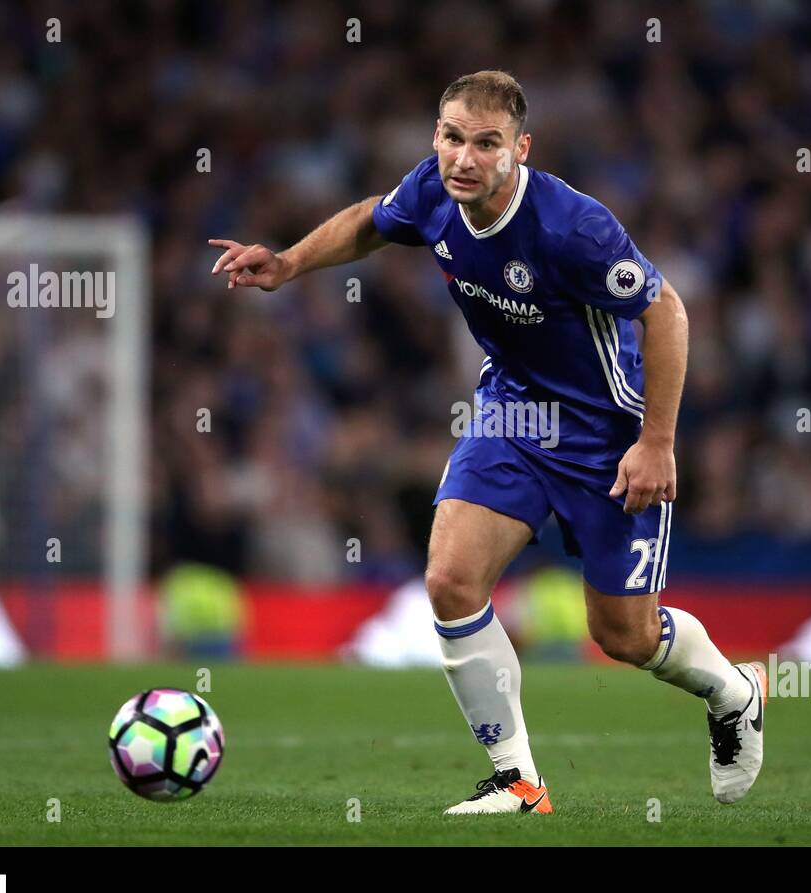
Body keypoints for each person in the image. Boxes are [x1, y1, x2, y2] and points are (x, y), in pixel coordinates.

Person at [209, 70, 766, 814]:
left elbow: (665, 310)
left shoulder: (572, 227)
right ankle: (519, 780)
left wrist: (658, 441)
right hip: (511, 414)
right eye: (450, 138)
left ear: (519, 149)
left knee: (623, 635)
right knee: (450, 578)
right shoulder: (436, 191)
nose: (463, 158)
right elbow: (373, 221)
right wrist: (287, 263)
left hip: (607, 434)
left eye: (485, 143)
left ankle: (734, 691)